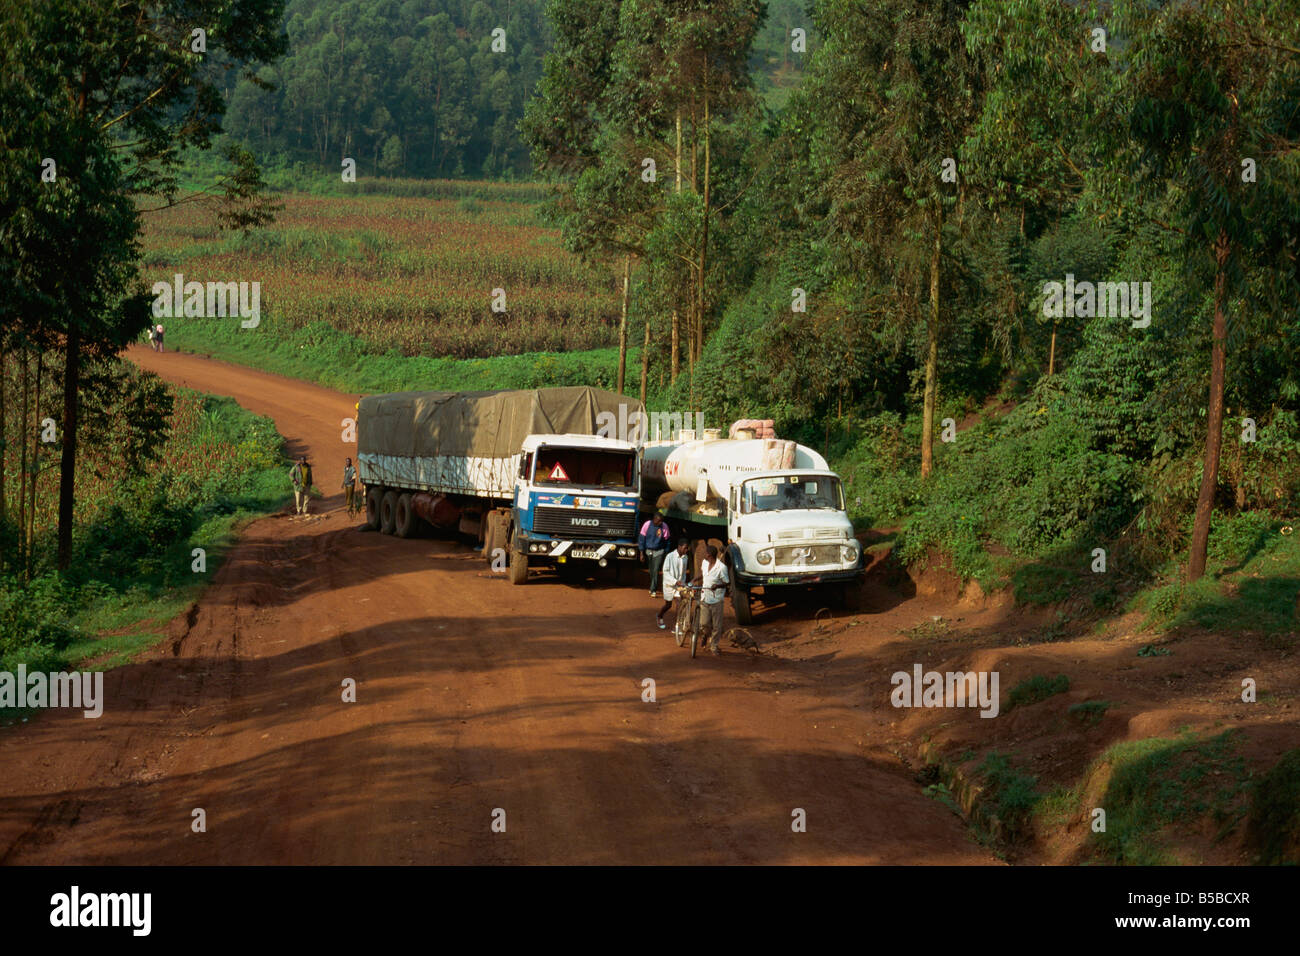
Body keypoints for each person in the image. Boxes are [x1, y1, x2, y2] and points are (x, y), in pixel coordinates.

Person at [699, 545, 730, 656]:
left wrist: (717, 585)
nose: (704, 553)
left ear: (709, 555)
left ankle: (714, 646)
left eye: (705, 552)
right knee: (704, 624)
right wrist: (694, 579)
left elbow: (727, 582)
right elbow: (703, 575)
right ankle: (705, 635)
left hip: (716, 599)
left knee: (717, 626)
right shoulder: (704, 563)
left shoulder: (721, 568)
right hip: (705, 597)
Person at [657, 539, 691, 631]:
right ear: (679, 547)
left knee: (679, 603)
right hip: (669, 584)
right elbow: (665, 571)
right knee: (668, 605)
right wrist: (675, 581)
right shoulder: (670, 556)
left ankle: (676, 626)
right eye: (685, 548)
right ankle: (659, 616)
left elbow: (683, 573)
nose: (686, 550)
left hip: (679, 585)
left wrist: (682, 583)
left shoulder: (685, 558)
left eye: (687, 548)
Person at [638, 511, 672, 597]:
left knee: (656, 570)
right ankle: (652, 586)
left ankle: (653, 590)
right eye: (659, 521)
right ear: (654, 520)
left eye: (661, 521)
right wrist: (641, 552)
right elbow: (642, 538)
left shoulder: (664, 526)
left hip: (659, 551)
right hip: (648, 551)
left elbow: (667, 540)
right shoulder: (647, 525)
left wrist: (666, 552)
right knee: (651, 570)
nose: (660, 523)